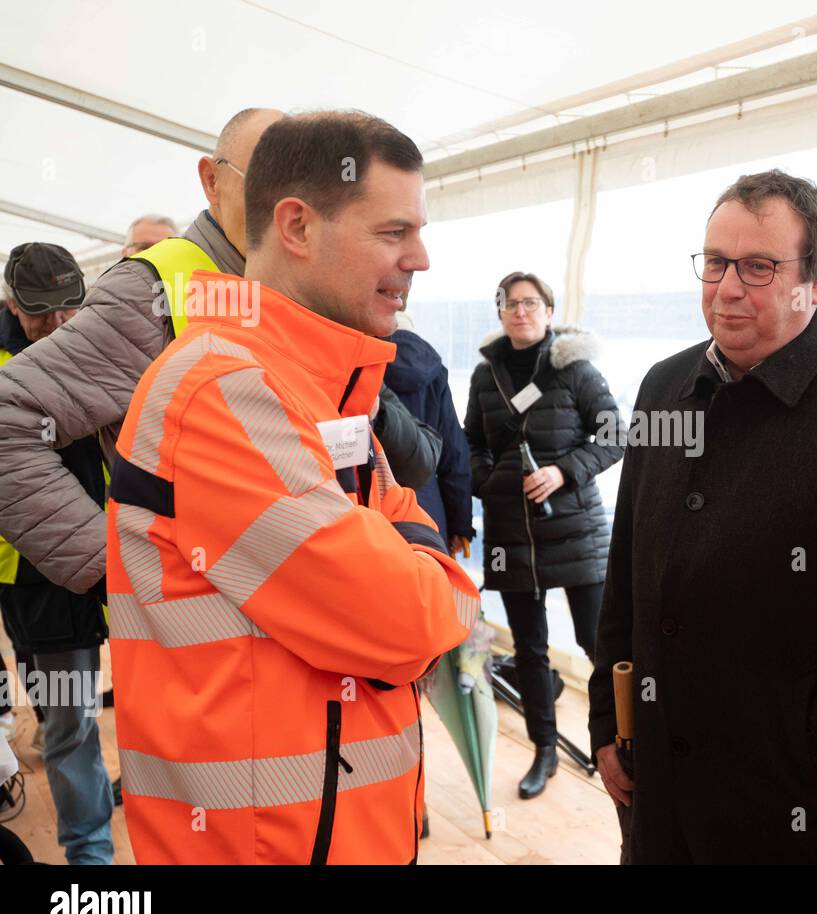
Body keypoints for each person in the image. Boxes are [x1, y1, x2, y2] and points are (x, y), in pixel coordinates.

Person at [106, 110, 481, 865]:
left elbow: (423, 562)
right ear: (298, 227)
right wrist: (421, 567)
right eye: (393, 232)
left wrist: (419, 563)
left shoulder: (320, 387)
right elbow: (410, 621)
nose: (422, 258)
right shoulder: (227, 393)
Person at [587, 170, 817, 863]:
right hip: (656, 785)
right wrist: (607, 719)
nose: (725, 289)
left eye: (757, 268)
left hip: (791, 806)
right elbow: (627, 566)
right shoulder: (665, 385)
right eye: (715, 263)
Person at [0, 106, 436, 598]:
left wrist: (369, 412)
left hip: (333, 614)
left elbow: (416, 460)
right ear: (212, 181)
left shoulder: (321, 290)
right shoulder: (151, 293)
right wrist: (118, 573)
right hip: (208, 651)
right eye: (264, 177)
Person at [464, 271, 622, 799]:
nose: (520, 311)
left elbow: (616, 434)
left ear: (549, 311)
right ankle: (545, 750)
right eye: (510, 303)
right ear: (501, 312)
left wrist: (565, 470)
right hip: (511, 531)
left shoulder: (572, 367)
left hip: (574, 527)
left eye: (530, 303)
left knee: (597, 641)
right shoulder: (486, 377)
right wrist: (486, 479)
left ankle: (620, 741)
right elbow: (472, 442)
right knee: (529, 650)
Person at [1, 243, 113, 864]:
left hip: (70, 579)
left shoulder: (94, 347)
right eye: (41, 313)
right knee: (54, 710)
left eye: (70, 308)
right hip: (19, 584)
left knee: (70, 723)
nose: (58, 324)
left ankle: (89, 862)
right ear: (12, 304)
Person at [384, 312, 474, 558]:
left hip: (374, 502)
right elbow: (454, 455)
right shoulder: (434, 371)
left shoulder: (359, 362)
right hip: (427, 508)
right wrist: (460, 525)